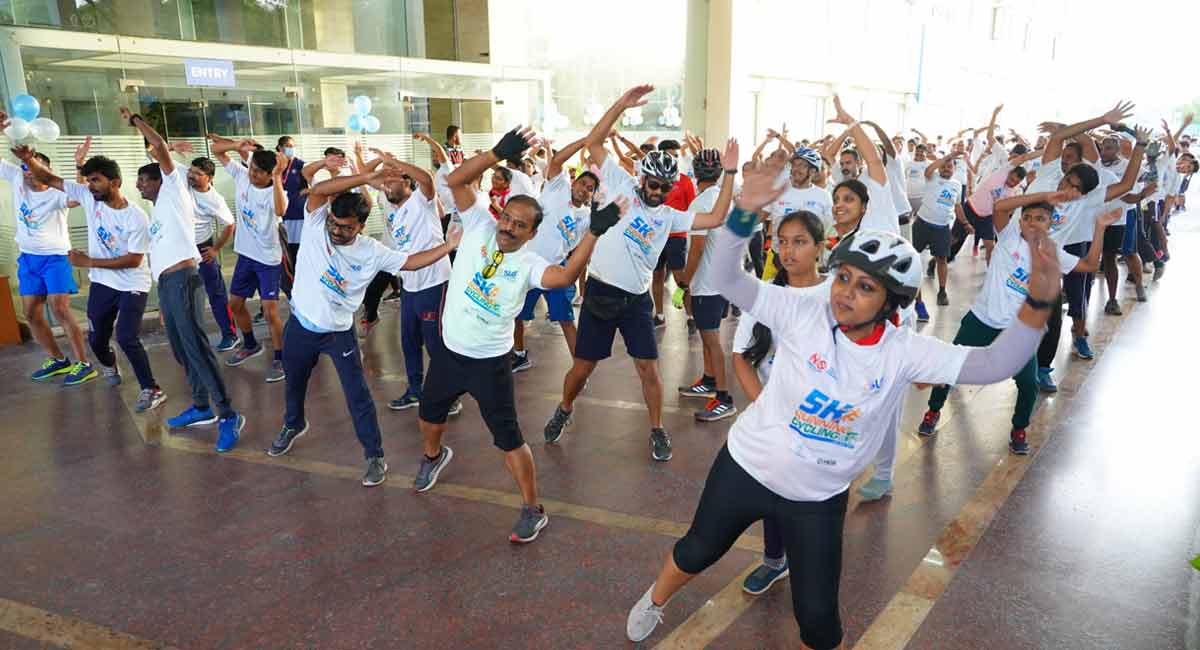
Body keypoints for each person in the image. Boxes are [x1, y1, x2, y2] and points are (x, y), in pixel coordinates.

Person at [626, 153, 1065, 648]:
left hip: (816, 498)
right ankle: (654, 601)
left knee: (817, 619)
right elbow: (728, 280)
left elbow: (994, 364)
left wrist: (1039, 305)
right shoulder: (802, 311)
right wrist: (745, 210)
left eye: (864, 287)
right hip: (747, 466)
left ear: (891, 301)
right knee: (697, 550)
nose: (845, 293)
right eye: (842, 278)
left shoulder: (904, 352)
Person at [411, 127, 624, 543]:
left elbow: (563, 278)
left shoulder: (529, 262)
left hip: (490, 364)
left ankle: (532, 507)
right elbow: (455, 180)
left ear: (530, 233)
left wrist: (593, 233)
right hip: (449, 352)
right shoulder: (477, 226)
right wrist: (494, 154)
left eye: (519, 225)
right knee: (428, 416)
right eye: (507, 217)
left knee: (509, 440)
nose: (508, 227)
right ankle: (433, 457)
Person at [541, 85, 741, 462]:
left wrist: (730, 172)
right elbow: (596, 141)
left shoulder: (668, 216)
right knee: (582, 370)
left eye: (666, 188)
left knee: (649, 369)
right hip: (600, 294)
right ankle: (564, 408)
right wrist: (620, 105)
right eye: (653, 185)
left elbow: (715, 217)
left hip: (635, 302)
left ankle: (656, 429)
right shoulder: (619, 184)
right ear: (642, 179)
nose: (659, 193)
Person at [265, 164, 462, 487]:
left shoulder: (372, 251)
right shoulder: (317, 223)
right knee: (294, 385)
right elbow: (318, 193)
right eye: (334, 223)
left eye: (346, 227)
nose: (337, 231)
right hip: (300, 326)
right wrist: (365, 178)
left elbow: (410, 262)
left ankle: (374, 456)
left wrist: (448, 247)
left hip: (338, 333)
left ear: (360, 226)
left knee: (358, 396)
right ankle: (293, 424)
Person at [918, 191, 1122, 452]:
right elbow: (1001, 206)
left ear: (1051, 224)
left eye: (1040, 218)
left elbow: (1091, 264)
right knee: (949, 369)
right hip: (981, 321)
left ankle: (1019, 429)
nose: (1033, 222)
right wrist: (1046, 196)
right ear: (1019, 222)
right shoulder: (1009, 236)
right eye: (1027, 218)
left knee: (1028, 385)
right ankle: (933, 411)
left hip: (1017, 334)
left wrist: (1100, 227)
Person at [120, 108, 247, 449]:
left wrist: (135, 121)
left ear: (160, 179)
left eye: (143, 180)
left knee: (196, 347)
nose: (138, 185)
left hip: (184, 279)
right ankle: (202, 406)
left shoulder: (175, 189)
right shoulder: (158, 211)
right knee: (180, 349)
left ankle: (228, 414)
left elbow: (159, 147)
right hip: (168, 285)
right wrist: (162, 301)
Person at [15, 149, 164, 409]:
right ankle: (110, 364)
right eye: (89, 180)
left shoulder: (136, 216)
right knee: (97, 341)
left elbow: (134, 260)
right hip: (103, 283)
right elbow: (48, 179)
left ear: (115, 182)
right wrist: (28, 159)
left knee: (127, 336)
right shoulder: (88, 196)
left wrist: (88, 262)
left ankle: (151, 388)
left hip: (132, 284)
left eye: (96, 180)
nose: (90, 186)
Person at [730, 209, 830, 595]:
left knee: (814, 496)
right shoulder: (764, 295)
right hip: (774, 415)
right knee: (772, 487)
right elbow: (740, 356)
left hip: (821, 415)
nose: (788, 251)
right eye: (781, 242)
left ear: (820, 248)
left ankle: (814, 563)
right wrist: (764, 406)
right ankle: (776, 560)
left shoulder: (836, 292)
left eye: (800, 242)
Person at [0, 111, 90, 385]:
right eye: (25, 168)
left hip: (55, 258)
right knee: (30, 313)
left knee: (60, 309)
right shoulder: (17, 179)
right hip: (28, 258)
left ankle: (83, 363)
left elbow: (79, 197)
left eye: (33, 168)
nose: (28, 173)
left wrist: (80, 165)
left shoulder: (55, 194)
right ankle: (58, 359)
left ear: (46, 173)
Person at [512, 136, 598, 371]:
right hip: (527, 265)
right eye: (582, 184)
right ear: (574, 182)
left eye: (590, 189)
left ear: (592, 195)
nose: (584, 190)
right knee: (517, 315)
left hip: (555, 271)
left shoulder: (588, 217)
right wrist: (585, 141)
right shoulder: (558, 185)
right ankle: (519, 355)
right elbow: (558, 159)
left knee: (566, 320)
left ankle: (580, 366)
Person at [209, 134, 289, 382]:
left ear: (268, 175)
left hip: (268, 260)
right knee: (235, 304)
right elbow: (217, 151)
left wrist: (277, 177)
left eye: (258, 172)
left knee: (269, 312)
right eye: (251, 169)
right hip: (246, 255)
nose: (252, 174)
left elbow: (280, 210)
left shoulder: (274, 191)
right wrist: (236, 146)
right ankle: (250, 343)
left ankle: (280, 358)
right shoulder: (242, 176)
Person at [675, 148, 737, 421]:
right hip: (721, 280)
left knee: (712, 340)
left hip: (707, 283)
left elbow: (696, 249)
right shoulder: (725, 200)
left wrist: (683, 282)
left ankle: (724, 398)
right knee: (707, 335)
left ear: (695, 173)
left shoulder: (701, 203)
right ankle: (709, 380)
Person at [182, 155, 238, 351]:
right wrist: (171, 148)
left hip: (203, 248)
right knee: (185, 294)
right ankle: (190, 339)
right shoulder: (183, 177)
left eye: (198, 173)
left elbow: (230, 225)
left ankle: (230, 334)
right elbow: (156, 155)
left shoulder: (215, 200)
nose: (192, 175)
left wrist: (215, 249)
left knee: (215, 293)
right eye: (191, 171)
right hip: (182, 249)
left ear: (209, 178)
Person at [910, 150, 967, 318]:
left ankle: (942, 291)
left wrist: (965, 223)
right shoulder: (932, 177)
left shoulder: (956, 185)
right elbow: (929, 170)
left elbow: (957, 206)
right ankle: (910, 286)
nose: (946, 169)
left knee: (942, 259)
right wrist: (945, 157)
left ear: (954, 169)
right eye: (944, 166)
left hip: (942, 228)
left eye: (950, 166)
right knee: (913, 256)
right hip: (922, 224)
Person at [652, 139, 697, 328]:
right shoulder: (653, 179)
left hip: (676, 238)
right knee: (657, 275)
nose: (674, 158)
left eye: (676, 155)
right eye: (670, 155)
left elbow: (691, 209)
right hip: (655, 235)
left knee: (680, 278)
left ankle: (690, 316)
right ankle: (660, 315)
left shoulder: (684, 180)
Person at [275, 135, 307, 267]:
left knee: (298, 250)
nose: (291, 149)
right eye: (288, 146)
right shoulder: (275, 165)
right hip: (280, 215)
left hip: (297, 213)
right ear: (280, 148)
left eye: (292, 146)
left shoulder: (300, 165)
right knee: (284, 251)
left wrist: (307, 191)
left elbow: (312, 185)